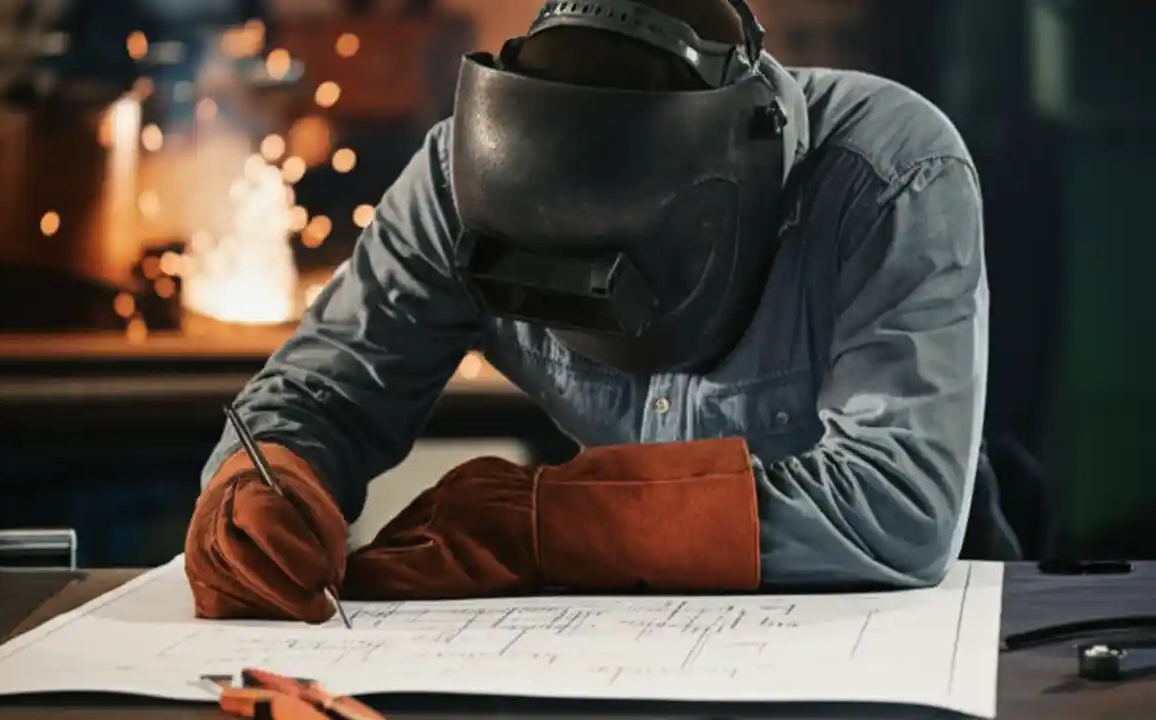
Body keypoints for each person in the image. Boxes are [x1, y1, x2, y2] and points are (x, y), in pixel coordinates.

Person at [184, 0, 1012, 623]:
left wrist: (552, 524)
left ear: (743, 177)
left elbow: (897, 507)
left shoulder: (885, 174)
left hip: (903, 639)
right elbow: (322, 396)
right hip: (635, 637)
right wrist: (262, 486)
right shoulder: (459, 179)